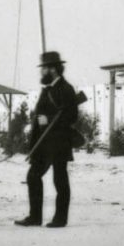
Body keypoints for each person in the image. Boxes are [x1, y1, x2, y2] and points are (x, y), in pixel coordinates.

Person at [15, 50, 79, 228]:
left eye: (44, 68)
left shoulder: (66, 89)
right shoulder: (47, 89)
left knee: (60, 180)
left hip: (59, 143)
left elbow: (72, 117)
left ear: (53, 69)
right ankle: (35, 217)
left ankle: (60, 219)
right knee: (33, 176)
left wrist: (49, 120)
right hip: (43, 144)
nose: (41, 72)